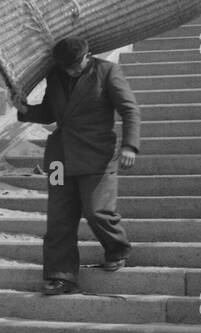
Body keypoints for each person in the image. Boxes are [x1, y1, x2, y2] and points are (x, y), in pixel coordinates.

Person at [15, 36, 140, 295]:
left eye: (76, 64)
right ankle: (61, 277)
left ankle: (117, 248)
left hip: (97, 155)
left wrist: (129, 146)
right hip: (60, 159)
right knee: (59, 219)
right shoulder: (55, 76)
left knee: (97, 212)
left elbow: (129, 109)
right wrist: (26, 110)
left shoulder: (107, 72)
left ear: (88, 55)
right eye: (67, 67)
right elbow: (50, 112)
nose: (72, 70)